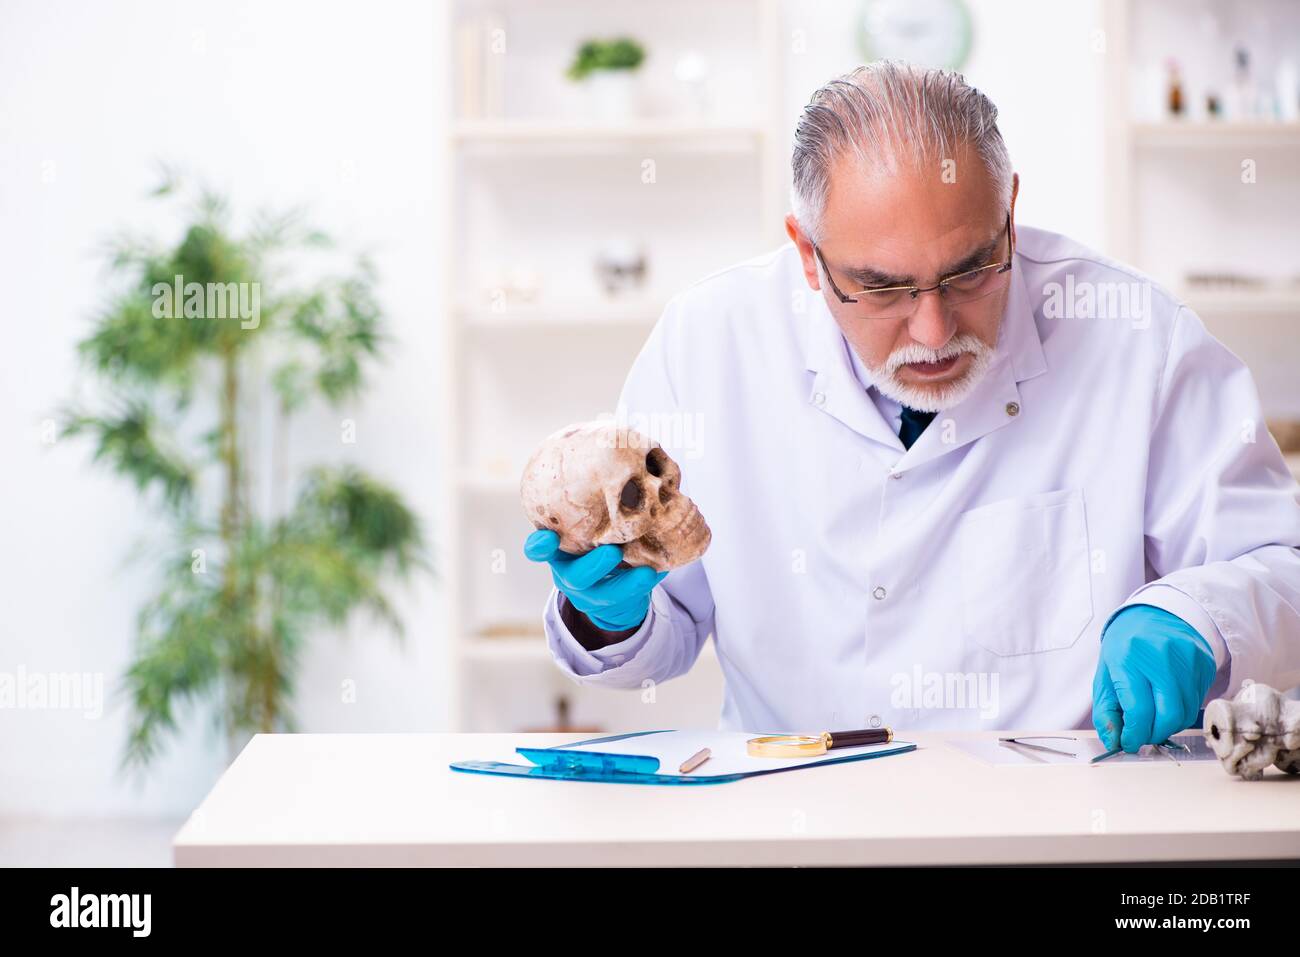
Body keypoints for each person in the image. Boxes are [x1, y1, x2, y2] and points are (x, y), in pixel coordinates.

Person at [524, 61, 1300, 752]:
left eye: (970, 271)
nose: (933, 331)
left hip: (1054, 827)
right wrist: (607, 613)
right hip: (795, 821)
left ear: (1010, 211)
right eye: (884, 287)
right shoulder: (709, 343)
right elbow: (663, 640)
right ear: (807, 253)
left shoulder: (1137, 337)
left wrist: (1195, 616)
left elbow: (1283, 562)